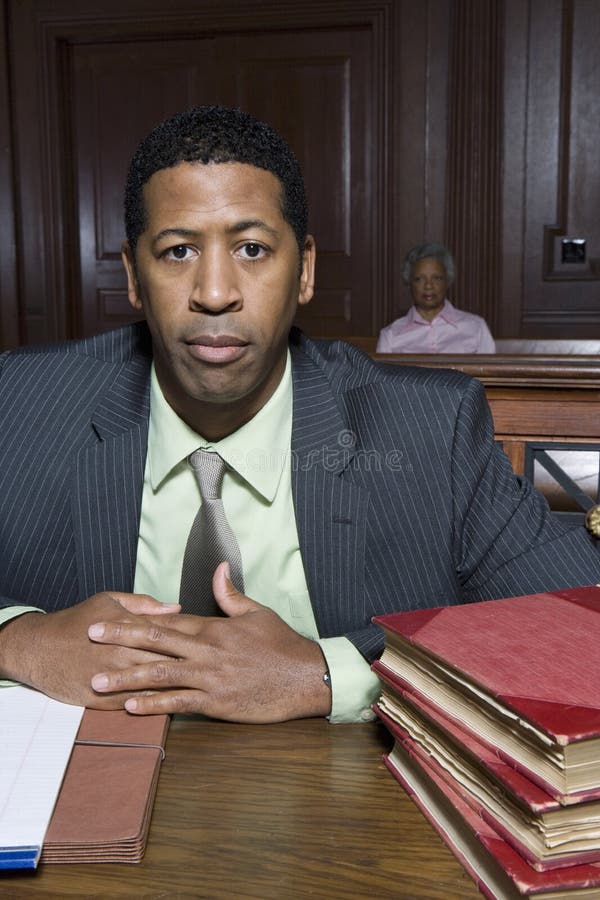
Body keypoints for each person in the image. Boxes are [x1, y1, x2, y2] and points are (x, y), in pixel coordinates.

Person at [0, 107, 598, 726]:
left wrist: (325, 673)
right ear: (133, 276)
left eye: (252, 248)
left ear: (305, 270)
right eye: (178, 251)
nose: (213, 291)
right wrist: (17, 640)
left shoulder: (429, 428)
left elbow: (577, 625)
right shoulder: (23, 403)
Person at [376, 242, 495, 354]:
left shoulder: (476, 327)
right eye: (419, 279)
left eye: (437, 278)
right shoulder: (390, 335)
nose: (428, 286)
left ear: (447, 281)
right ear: (409, 282)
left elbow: (491, 375)